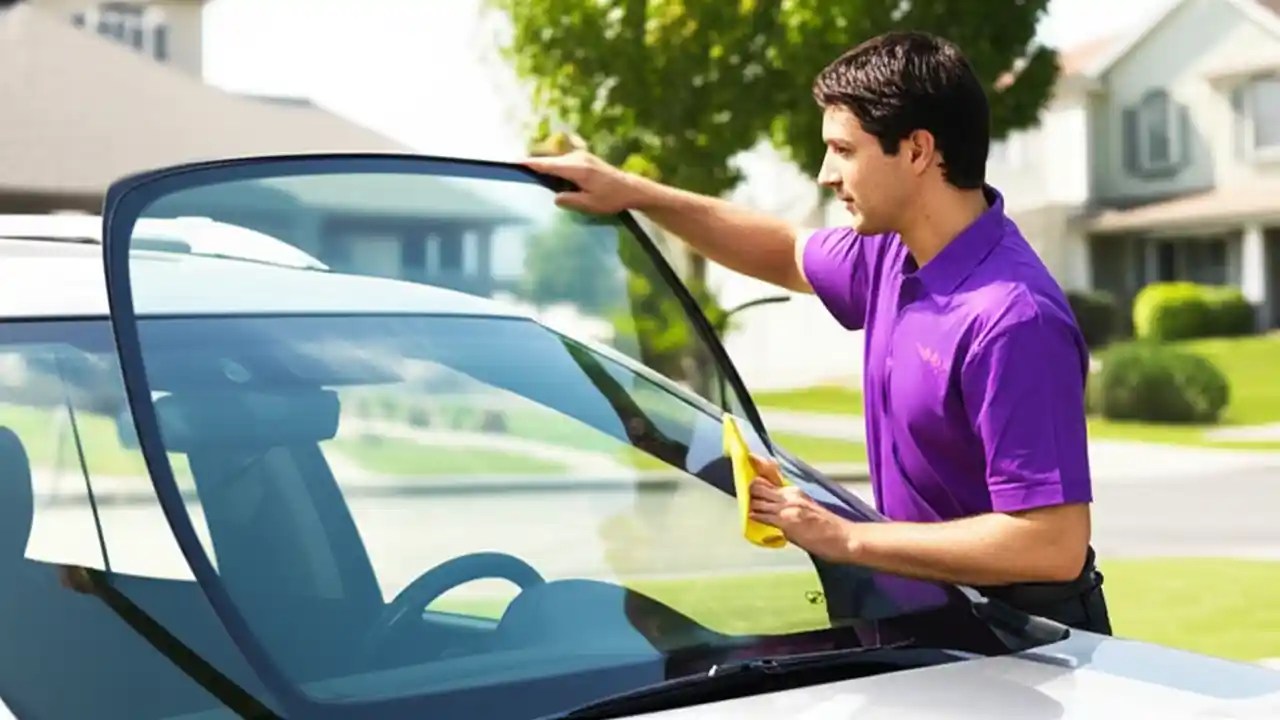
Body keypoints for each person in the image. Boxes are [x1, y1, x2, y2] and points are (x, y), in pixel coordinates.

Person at [522, 30, 1111, 635]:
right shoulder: (888, 255)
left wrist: (848, 540)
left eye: (843, 150)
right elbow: (783, 250)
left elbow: (1049, 544)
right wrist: (636, 194)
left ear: (917, 151)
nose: (826, 173)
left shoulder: (1012, 319)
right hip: (933, 619)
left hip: (1030, 643)